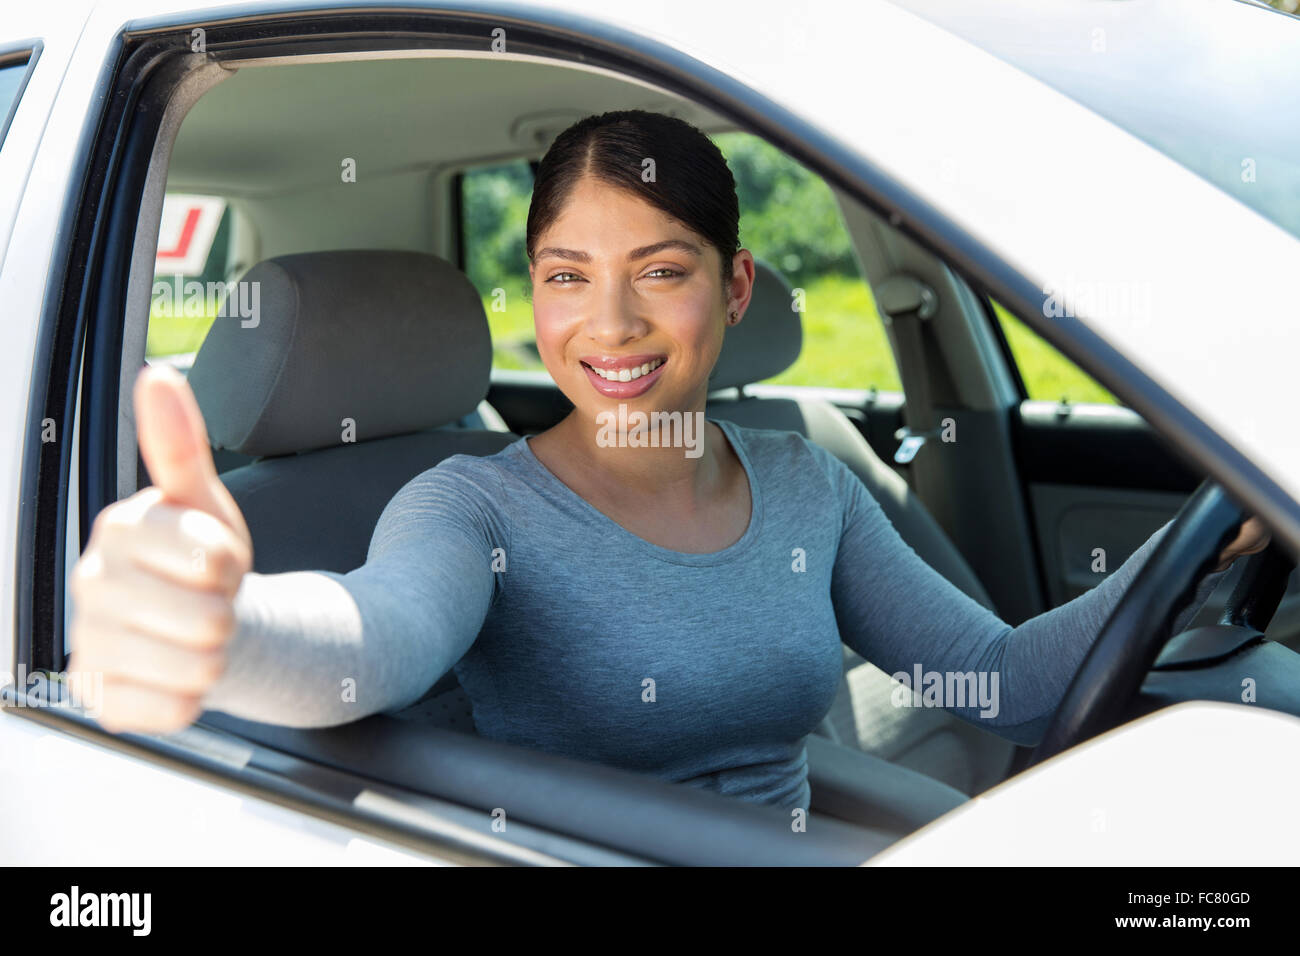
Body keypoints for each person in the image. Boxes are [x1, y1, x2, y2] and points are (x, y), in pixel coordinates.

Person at [66, 110, 1269, 811]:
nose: (612, 326)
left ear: (734, 286)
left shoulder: (809, 485)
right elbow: (367, 640)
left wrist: (1213, 529)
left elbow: (1003, 682)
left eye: (662, 269)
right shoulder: (471, 506)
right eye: (566, 276)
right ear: (531, 291)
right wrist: (225, 627)